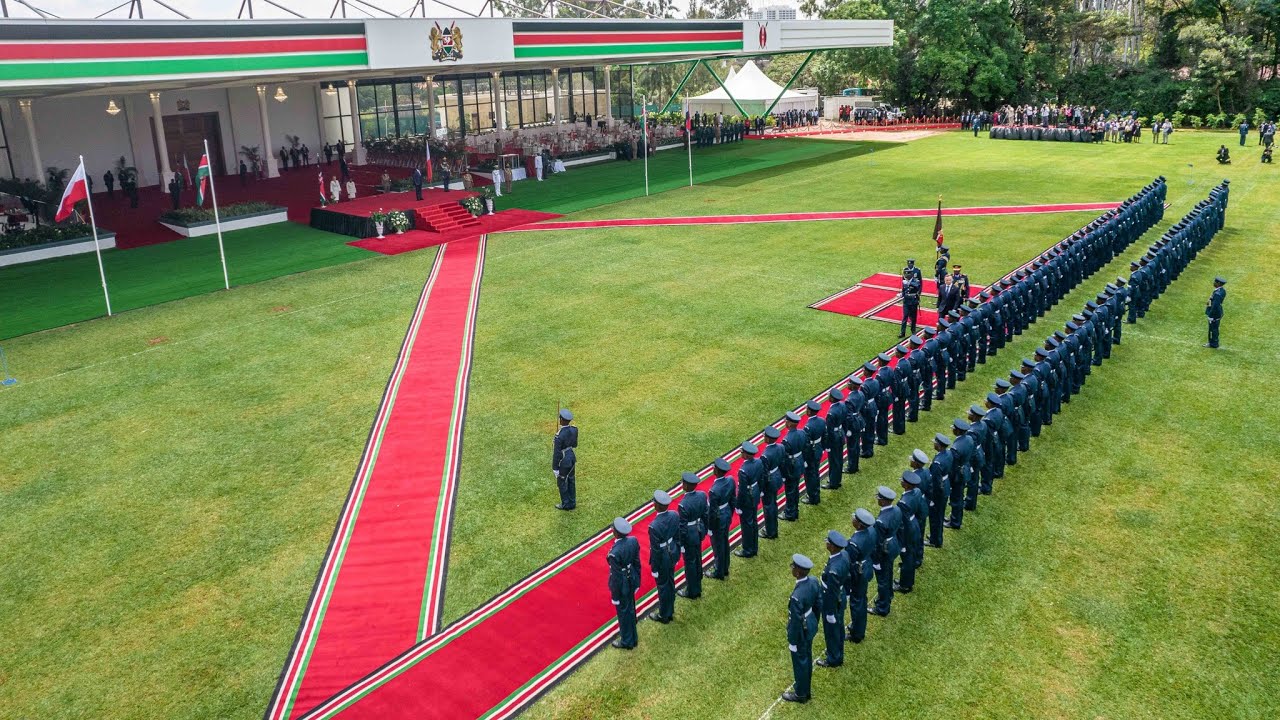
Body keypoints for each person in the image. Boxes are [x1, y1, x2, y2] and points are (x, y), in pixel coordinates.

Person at [782, 554, 821, 704]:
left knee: (800, 662)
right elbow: (818, 604)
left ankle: (801, 694)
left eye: (793, 567)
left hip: (801, 630)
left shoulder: (797, 596)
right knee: (806, 657)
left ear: (797, 572)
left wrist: (792, 640)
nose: (792, 569)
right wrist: (814, 621)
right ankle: (806, 690)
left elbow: (796, 621)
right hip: (810, 623)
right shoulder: (813, 581)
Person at [816, 531, 850, 669]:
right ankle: (837, 652)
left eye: (828, 542)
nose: (826, 543)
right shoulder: (844, 555)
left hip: (832, 601)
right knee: (839, 627)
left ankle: (834, 658)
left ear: (833, 547)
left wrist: (829, 612)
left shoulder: (833, 570)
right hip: (840, 596)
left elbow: (831, 592)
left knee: (832, 630)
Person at [606, 517, 641, 650]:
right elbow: (637, 563)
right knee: (631, 607)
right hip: (632, 578)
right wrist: (637, 580)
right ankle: (633, 636)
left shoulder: (614, 554)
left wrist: (615, 596)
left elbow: (615, 578)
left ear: (615, 533)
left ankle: (627, 641)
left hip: (623, 584)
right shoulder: (633, 541)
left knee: (623, 612)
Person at [844, 508, 877, 644]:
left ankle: (857, 633)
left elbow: (849, 563)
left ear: (859, 524)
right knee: (861, 599)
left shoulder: (854, 543)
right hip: (866, 567)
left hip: (858, 573)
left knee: (857, 602)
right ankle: (858, 627)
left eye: (854, 518)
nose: (852, 519)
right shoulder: (871, 531)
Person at [647, 490, 680, 624]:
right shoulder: (674, 515)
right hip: (672, 551)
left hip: (663, 557)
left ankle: (664, 614)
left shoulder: (654, 526)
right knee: (670, 582)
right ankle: (670, 610)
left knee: (663, 586)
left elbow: (656, 551)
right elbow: (677, 536)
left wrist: (654, 568)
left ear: (658, 506)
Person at [869, 486, 902, 617]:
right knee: (888, 573)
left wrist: (876, 561)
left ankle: (882, 607)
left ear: (883, 501)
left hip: (884, 551)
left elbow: (877, 544)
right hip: (893, 545)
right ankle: (888, 596)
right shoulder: (897, 509)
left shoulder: (880, 522)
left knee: (882, 579)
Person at [676, 471, 709, 599]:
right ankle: (697, 584)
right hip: (698, 531)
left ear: (687, 485)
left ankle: (692, 590)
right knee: (697, 558)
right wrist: (704, 529)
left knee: (690, 563)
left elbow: (682, 528)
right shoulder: (701, 495)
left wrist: (682, 543)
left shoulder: (683, 504)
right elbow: (705, 515)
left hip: (689, 535)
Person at [705, 457, 735, 580]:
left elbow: (712, 512)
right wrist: (730, 513)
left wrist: (710, 527)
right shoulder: (730, 480)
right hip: (726, 513)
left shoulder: (714, 490)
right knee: (724, 542)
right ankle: (725, 567)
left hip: (718, 518)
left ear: (716, 471)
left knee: (718, 545)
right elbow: (733, 500)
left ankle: (719, 571)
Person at [735, 441, 763, 558]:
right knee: (754, 522)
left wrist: (738, 505)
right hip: (755, 493)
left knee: (746, 525)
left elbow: (741, 491)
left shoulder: (743, 470)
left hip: (747, 498)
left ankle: (747, 550)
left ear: (746, 455)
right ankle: (754, 547)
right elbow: (760, 478)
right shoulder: (758, 462)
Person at [780, 411, 806, 521]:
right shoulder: (802, 433)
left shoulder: (786, 440)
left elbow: (784, 459)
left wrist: (783, 473)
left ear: (789, 424)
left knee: (790, 490)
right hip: (799, 462)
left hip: (791, 467)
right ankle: (794, 510)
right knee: (795, 488)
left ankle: (790, 513)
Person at [760, 426, 784, 539]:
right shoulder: (780, 447)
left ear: (768, 439)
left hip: (769, 483)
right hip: (777, 477)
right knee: (773, 504)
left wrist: (761, 489)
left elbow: (764, 474)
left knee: (768, 507)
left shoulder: (765, 455)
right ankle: (773, 528)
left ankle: (770, 531)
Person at [801, 399, 826, 506]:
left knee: (810, 475)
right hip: (819, 449)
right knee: (815, 472)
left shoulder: (808, 426)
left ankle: (813, 497)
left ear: (809, 412)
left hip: (811, 452)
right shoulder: (821, 420)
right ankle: (816, 493)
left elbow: (806, 445)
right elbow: (825, 435)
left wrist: (804, 459)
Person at [552, 408, 577, 510]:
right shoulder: (575, 429)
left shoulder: (559, 436)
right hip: (571, 456)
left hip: (564, 460)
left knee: (562, 482)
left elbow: (557, 454)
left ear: (561, 420)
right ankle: (572, 501)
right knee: (571, 480)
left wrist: (555, 468)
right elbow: (574, 444)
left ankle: (566, 504)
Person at [1205, 276, 1226, 348]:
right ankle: (1214, 342)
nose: (1214, 283)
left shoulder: (1217, 294)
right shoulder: (1222, 291)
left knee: (1212, 329)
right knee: (1215, 328)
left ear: (1219, 283)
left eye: (1215, 282)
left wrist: (1210, 315)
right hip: (1218, 312)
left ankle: (1213, 343)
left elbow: (1215, 306)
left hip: (1214, 314)